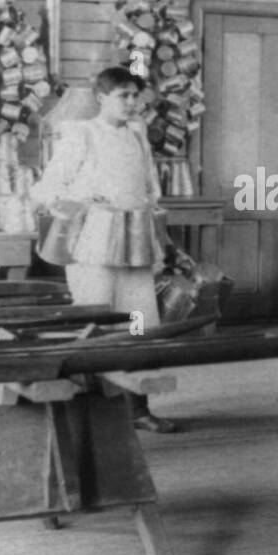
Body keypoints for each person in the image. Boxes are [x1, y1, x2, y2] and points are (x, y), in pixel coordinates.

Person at [31, 66, 176, 433]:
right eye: (122, 96)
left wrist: (159, 233)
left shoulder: (138, 137)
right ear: (101, 98)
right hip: (93, 242)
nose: (131, 103)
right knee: (96, 319)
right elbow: (47, 187)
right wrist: (80, 199)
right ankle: (90, 413)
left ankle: (138, 409)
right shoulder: (83, 134)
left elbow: (150, 190)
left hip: (135, 240)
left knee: (139, 319)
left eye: (134, 96)